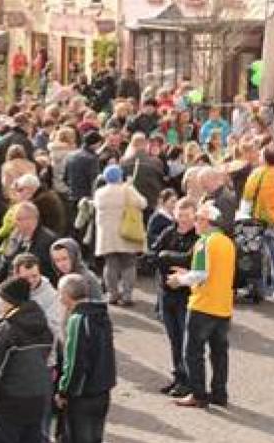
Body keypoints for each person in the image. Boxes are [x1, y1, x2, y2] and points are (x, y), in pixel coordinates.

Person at [166, 204, 235, 409]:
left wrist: (180, 279)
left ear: (206, 221)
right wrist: (189, 273)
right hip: (223, 306)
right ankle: (219, 393)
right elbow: (213, 272)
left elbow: (201, 274)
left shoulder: (204, 242)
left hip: (203, 305)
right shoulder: (227, 243)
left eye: (197, 218)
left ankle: (198, 394)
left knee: (192, 353)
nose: (194, 222)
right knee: (219, 353)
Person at [0, 276, 53, 443]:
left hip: (10, 402)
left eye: (1, 300)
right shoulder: (44, 327)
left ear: (11, 302)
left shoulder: (7, 329)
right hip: (38, 398)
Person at [55, 275, 116, 443]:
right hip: (103, 389)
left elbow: (74, 362)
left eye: (60, 293)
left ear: (66, 294)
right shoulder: (101, 314)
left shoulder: (77, 320)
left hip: (83, 394)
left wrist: (63, 391)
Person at [147, 198, 198, 398]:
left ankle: (189, 382)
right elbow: (152, 255)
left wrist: (166, 256)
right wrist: (165, 258)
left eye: (187, 216)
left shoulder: (198, 238)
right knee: (174, 339)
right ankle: (178, 377)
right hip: (166, 295)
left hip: (186, 297)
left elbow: (191, 261)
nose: (183, 220)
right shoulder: (168, 232)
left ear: (194, 216)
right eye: (179, 215)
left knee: (186, 341)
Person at [240, 145, 274, 300]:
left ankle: (259, 290)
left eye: (261, 155)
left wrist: (243, 215)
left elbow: (247, 197)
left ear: (264, 158)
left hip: (258, 221)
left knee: (258, 257)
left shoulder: (258, 173)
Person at [93, 165, 145, 306]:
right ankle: (127, 295)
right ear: (120, 176)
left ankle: (112, 294)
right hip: (126, 232)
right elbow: (143, 203)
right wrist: (130, 186)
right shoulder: (127, 190)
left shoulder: (99, 193)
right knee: (129, 263)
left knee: (110, 265)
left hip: (106, 235)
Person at [0, 253, 61, 340]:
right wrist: (0, 331)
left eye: (34, 276)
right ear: (16, 275)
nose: (31, 281)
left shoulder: (51, 294)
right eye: (26, 278)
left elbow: (55, 325)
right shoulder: (4, 291)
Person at [0, 203, 57, 285]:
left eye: (19, 219)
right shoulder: (15, 236)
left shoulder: (48, 240)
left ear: (33, 219)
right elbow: (6, 262)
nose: (15, 223)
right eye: (15, 219)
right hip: (14, 284)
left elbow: (50, 270)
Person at [48, 238, 103, 302]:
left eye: (64, 259)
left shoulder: (88, 279)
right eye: (57, 260)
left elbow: (97, 304)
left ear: (74, 256)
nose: (61, 264)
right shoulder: (61, 278)